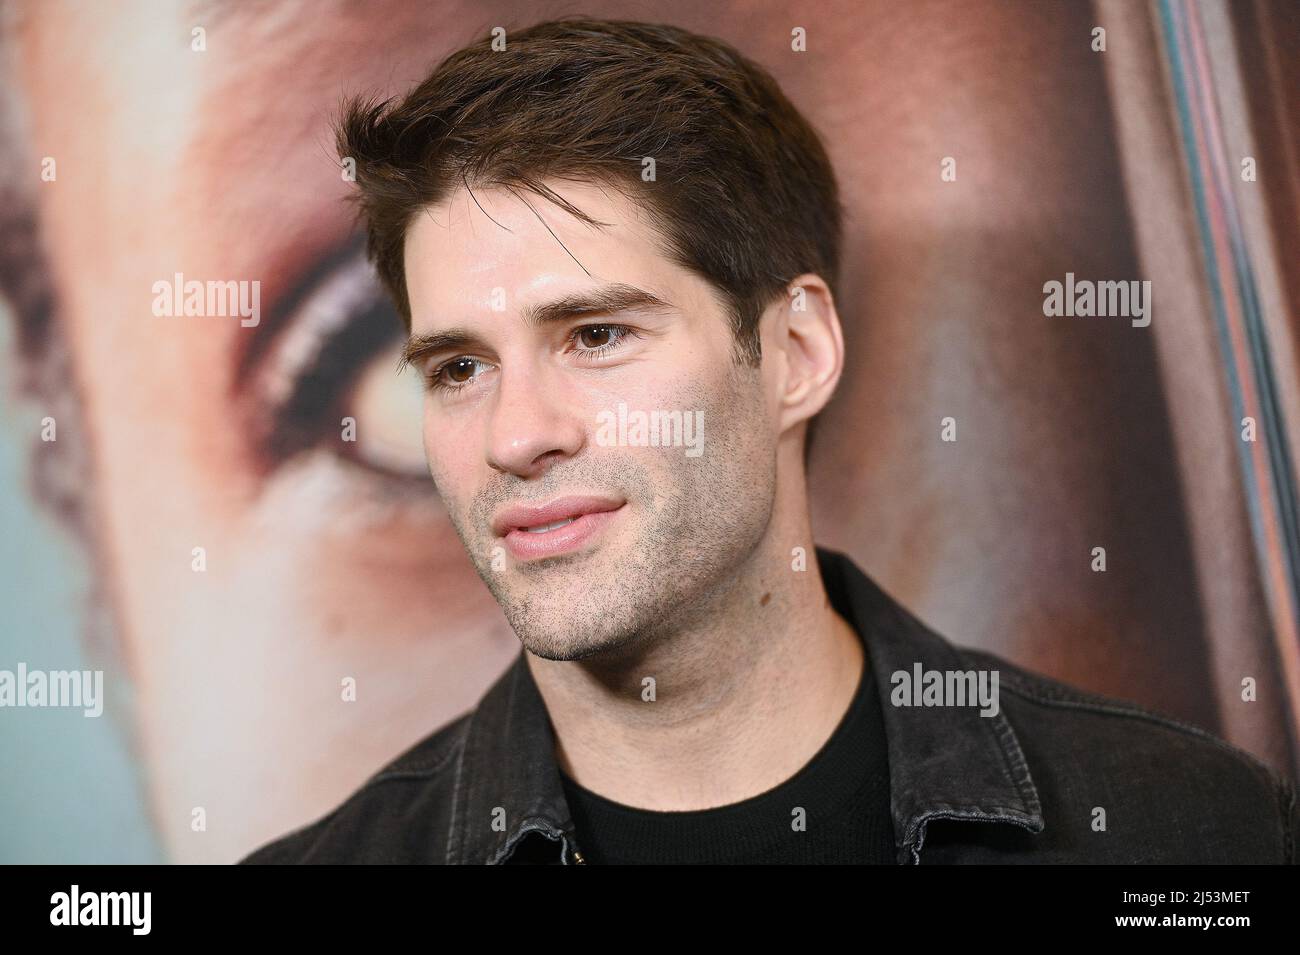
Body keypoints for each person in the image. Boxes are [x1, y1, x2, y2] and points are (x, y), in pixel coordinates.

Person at [238, 16, 1296, 865]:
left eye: (596, 334)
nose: (516, 435)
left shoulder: (1179, 830)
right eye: (457, 368)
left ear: (795, 350)